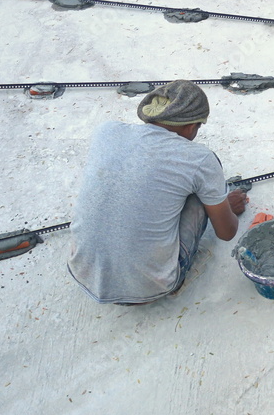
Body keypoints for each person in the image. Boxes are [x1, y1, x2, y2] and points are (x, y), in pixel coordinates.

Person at [67, 80, 248, 305]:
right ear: (192, 126)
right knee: (200, 186)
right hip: (148, 289)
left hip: (83, 274)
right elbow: (227, 232)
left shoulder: (107, 131)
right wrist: (225, 206)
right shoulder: (200, 159)